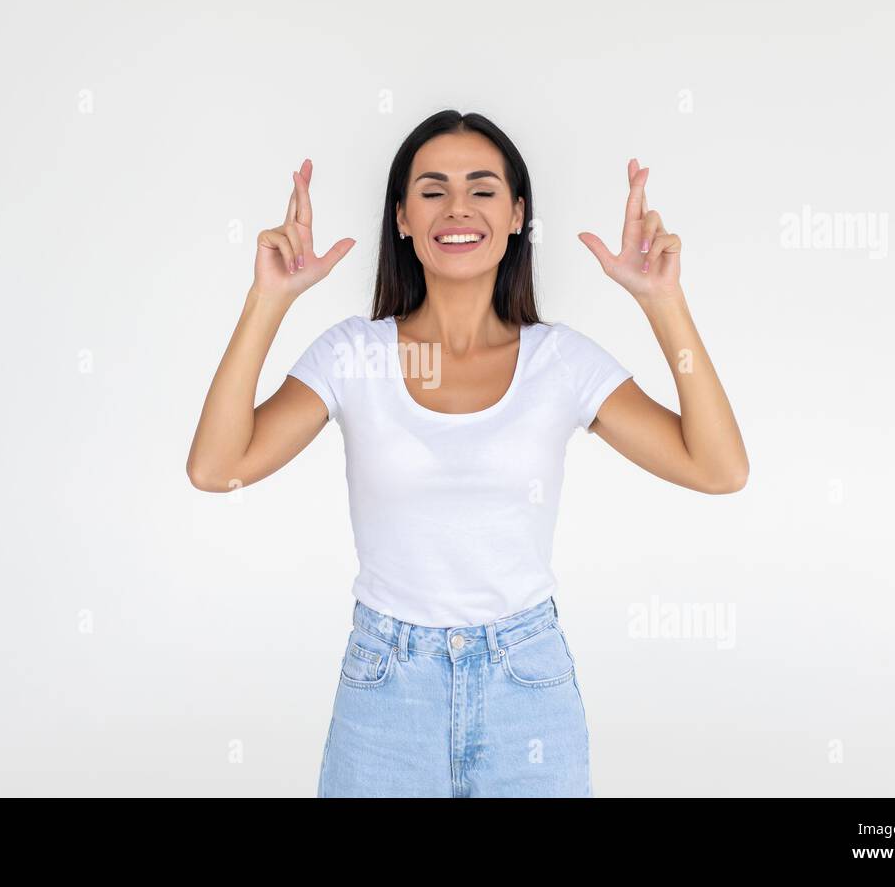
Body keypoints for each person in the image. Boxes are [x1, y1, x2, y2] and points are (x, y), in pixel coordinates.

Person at [186, 109, 749, 797]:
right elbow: (217, 468)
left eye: (483, 190)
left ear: (517, 215)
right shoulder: (354, 356)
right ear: (401, 218)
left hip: (527, 686)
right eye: (432, 190)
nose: (458, 208)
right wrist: (267, 298)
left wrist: (663, 299)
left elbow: (719, 469)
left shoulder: (560, 363)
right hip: (384, 691)